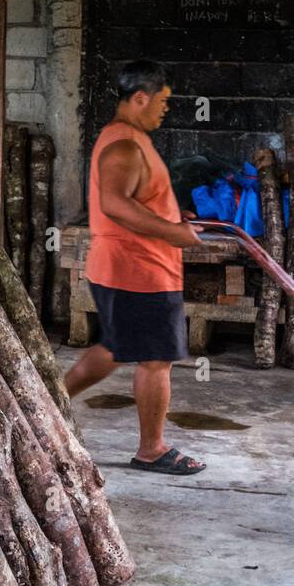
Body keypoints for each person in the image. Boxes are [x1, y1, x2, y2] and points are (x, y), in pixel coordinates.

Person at [64, 59, 206, 475]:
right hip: (138, 271)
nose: (166, 109)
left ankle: (45, 403)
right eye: (162, 101)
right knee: (156, 358)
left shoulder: (129, 139)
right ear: (140, 98)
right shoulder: (124, 145)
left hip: (128, 268)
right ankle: (152, 450)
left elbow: (136, 198)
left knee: (116, 348)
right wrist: (173, 231)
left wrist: (174, 216)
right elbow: (114, 203)